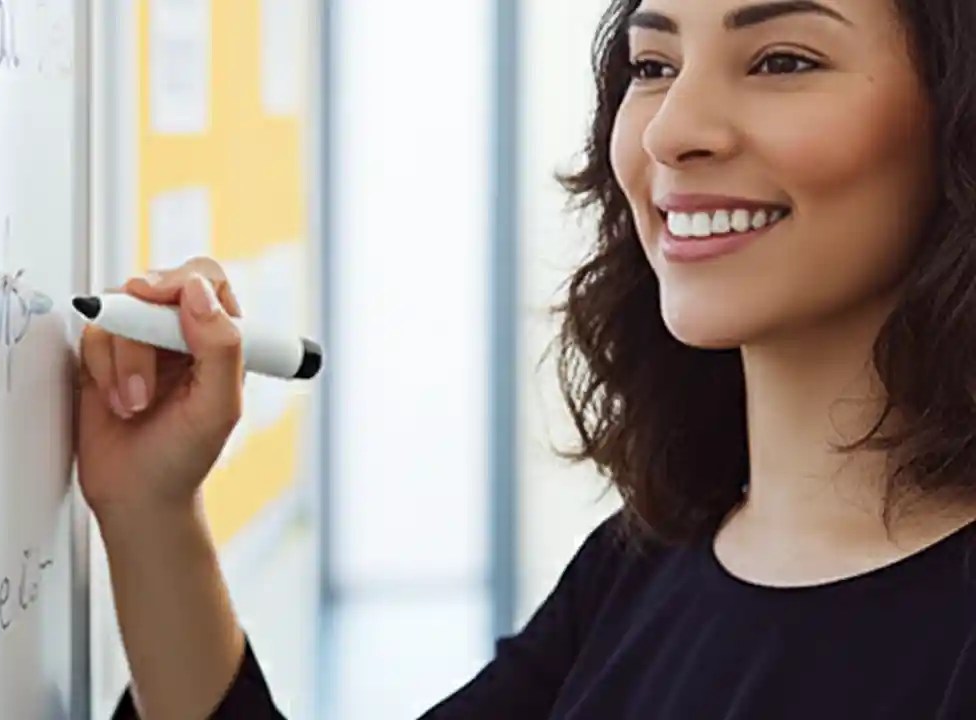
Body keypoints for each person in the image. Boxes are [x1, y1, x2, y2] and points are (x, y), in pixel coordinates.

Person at [77, 0, 976, 716]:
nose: (671, 132)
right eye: (653, 66)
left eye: (783, 61)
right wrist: (153, 510)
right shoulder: (636, 568)